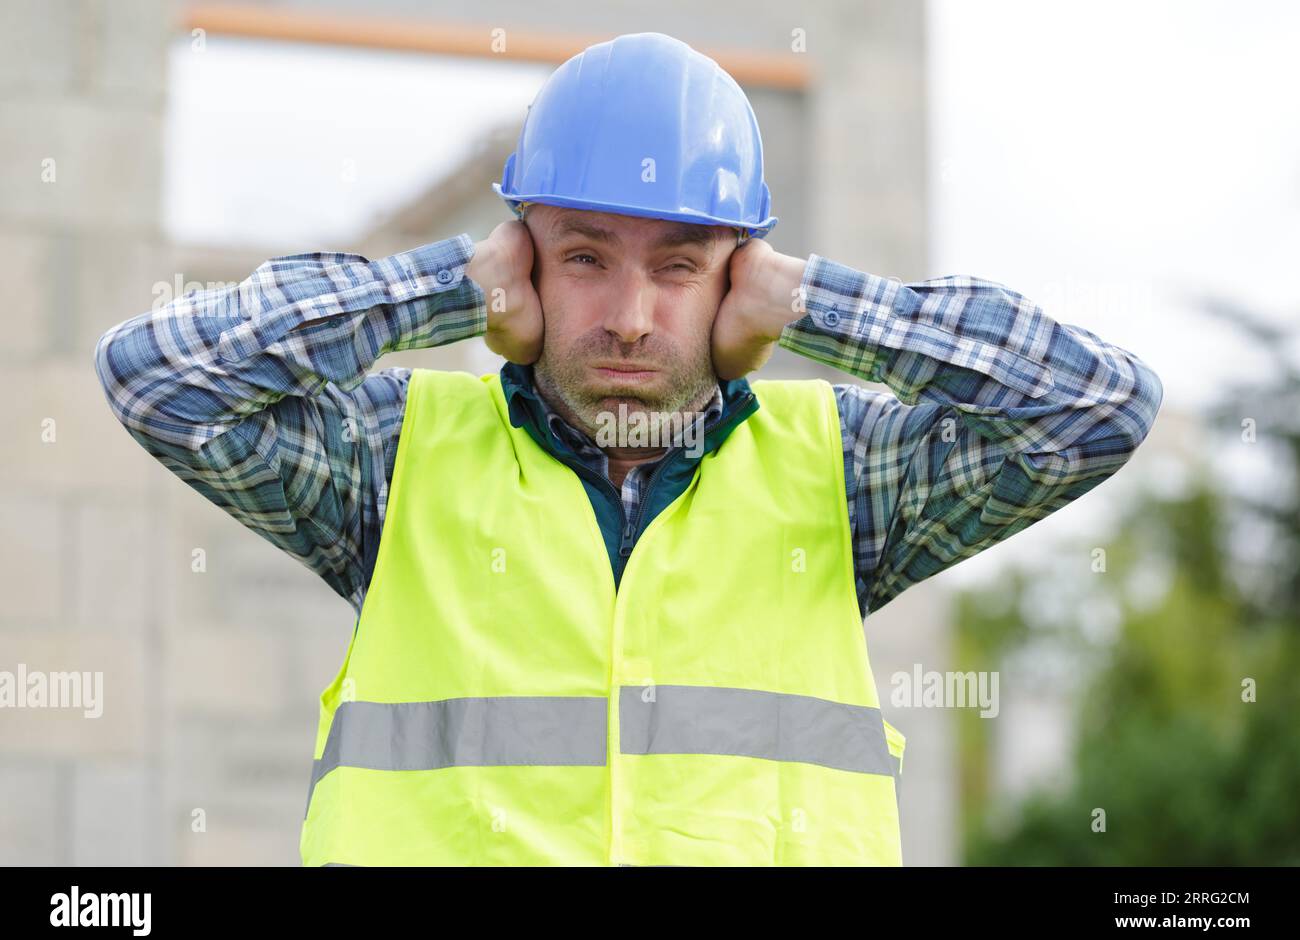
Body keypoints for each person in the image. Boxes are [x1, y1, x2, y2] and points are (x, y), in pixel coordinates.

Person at [93, 32, 1162, 866]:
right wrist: (441, 289)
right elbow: (156, 376)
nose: (631, 315)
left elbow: (1096, 403)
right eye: (587, 256)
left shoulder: (841, 475)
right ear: (526, 261)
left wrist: (816, 305)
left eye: (680, 265)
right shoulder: (393, 458)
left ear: (739, 276)